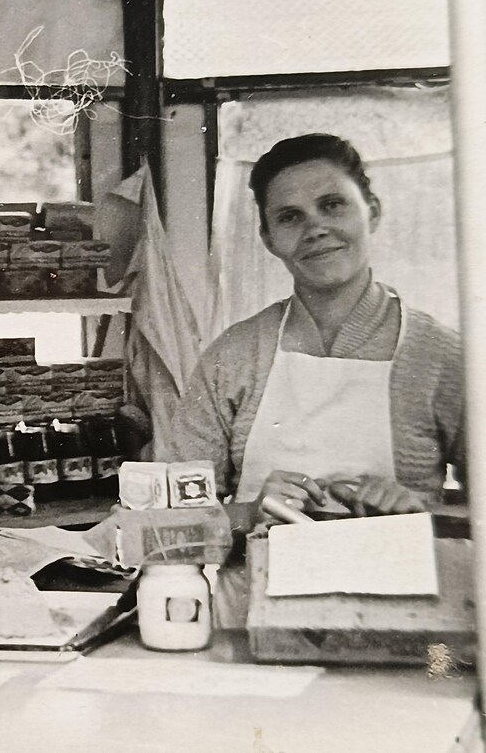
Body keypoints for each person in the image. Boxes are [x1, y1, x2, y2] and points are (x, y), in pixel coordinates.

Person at [167, 133, 465, 621]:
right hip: (248, 622)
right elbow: (163, 525)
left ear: (372, 211)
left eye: (332, 205)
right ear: (268, 239)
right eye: (290, 217)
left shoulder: (443, 358)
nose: (315, 229)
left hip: (405, 624)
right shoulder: (233, 356)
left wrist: (418, 515)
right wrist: (247, 515)